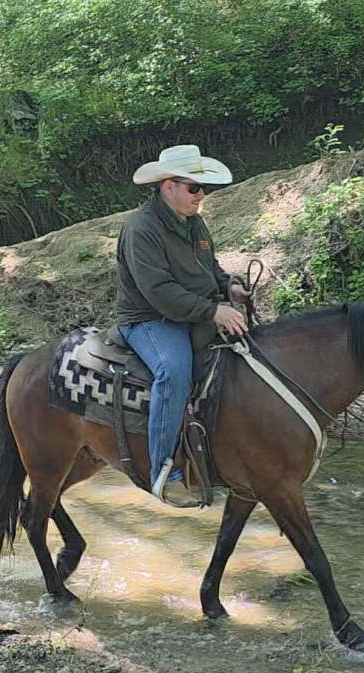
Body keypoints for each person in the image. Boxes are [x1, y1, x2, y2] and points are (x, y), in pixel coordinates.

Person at [116, 145, 249, 506]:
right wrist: (213, 312)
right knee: (173, 371)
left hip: (192, 312)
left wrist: (228, 287)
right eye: (194, 187)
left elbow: (209, 269)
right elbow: (159, 291)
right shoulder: (141, 228)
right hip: (150, 320)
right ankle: (162, 472)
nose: (201, 195)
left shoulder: (194, 221)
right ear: (167, 186)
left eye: (202, 187)